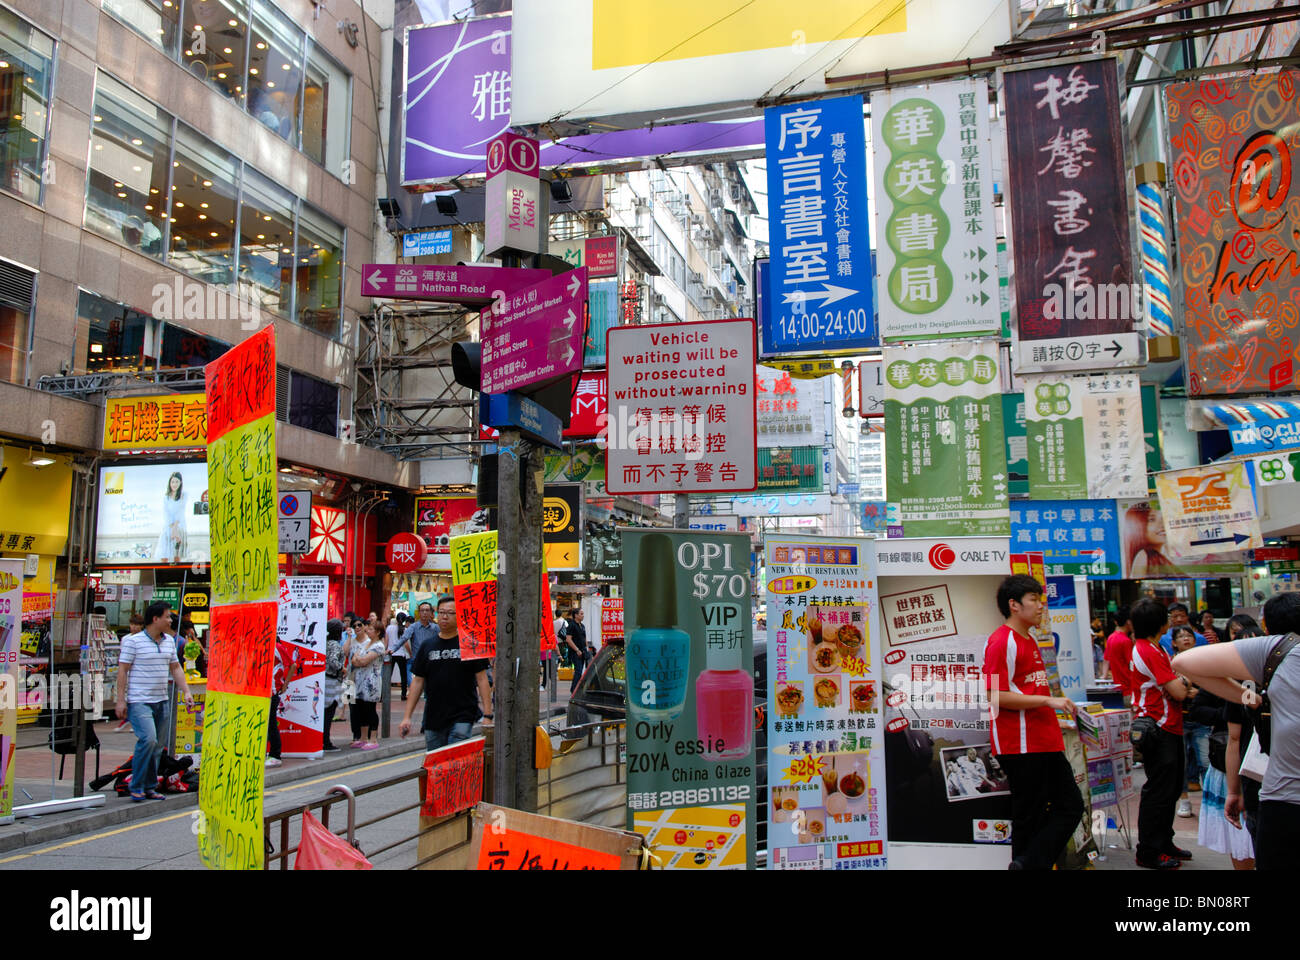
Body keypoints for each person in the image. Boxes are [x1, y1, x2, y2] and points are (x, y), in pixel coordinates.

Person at [1173, 592, 1300, 871]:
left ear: (1267, 629)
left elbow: (1184, 663)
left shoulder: (1274, 650)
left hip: (1283, 802)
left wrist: (1249, 698)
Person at [981, 575, 1084, 871]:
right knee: (1041, 813)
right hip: (1021, 744)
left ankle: (1027, 863)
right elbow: (995, 695)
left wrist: (1052, 716)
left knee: (1057, 809)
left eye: (1041, 599)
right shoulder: (1002, 641)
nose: (1041, 606)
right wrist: (1047, 703)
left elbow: (1026, 690)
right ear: (1014, 605)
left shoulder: (1029, 638)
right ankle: (1028, 863)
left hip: (1041, 739)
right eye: (1034, 600)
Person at [1129, 597, 1192, 869]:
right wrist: (1186, 684)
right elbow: (1178, 690)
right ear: (1160, 623)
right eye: (1167, 616)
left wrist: (1181, 685)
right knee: (1158, 791)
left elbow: (1176, 687)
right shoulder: (1149, 651)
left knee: (1171, 789)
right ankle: (1148, 852)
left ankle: (1164, 842)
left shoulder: (1154, 647)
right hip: (1159, 726)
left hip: (1168, 725)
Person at [114, 602, 193, 802]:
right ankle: (136, 785)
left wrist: (186, 691)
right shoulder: (133, 642)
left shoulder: (169, 642)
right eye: (167, 616)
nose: (170, 620)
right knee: (147, 739)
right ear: (155, 619)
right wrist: (120, 700)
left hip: (162, 700)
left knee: (157, 746)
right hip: (139, 701)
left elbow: (175, 668)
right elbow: (123, 670)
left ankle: (150, 786)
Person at [400, 595, 492, 749]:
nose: (444, 616)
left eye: (450, 613)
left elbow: (482, 679)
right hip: (433, 717)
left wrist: (488, 714)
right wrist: (407, 717)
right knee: (436, 766)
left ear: (459, 616)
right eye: (441, 612)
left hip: (463, 715)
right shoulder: (427, 646)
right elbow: (417, 681)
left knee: (456, 763)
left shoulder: (469, 644)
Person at [1170, 626, 1209, 813]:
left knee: (1206, 762)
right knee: (1182, 763)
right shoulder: (1171, 663)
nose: (1185, 639)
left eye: (1188, 635)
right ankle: (1184, 800)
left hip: (1201, 718)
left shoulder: (1204, 661)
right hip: (1180, 718)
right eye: (1180, 636)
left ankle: (1210, 800)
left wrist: (1199, 693)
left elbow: (1214, 687)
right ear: (1173, 643)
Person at [347, 622, 385, 749]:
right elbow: (353, 659)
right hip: (359, 681)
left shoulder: (379, 646)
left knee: (370, 710)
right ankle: (363, 738)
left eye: (371, 629)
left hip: (371, 682)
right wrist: (358, 659)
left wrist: (359, 659)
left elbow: (363, 660)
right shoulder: (367, 644)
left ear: (378, 632)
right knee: (360, 709)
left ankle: (373, 739)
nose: (368, 631)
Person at [153, 472, 188, 563]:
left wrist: (175, 529)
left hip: (179, 526)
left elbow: (180, 511)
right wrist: (172, 528)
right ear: (169, 483)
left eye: (177, 482)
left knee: (177, 554)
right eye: (172, 482)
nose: (174, 484)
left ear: (180, 483)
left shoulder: (184, 495)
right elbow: (166, 513)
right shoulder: (166, 497)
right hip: (168, 527)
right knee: (164, 554)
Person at [1103, 605, 1134, 704]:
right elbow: (1132, 666)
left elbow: (1106, 660)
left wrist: (1104, 676)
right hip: (1128, 689)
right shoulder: (1126, 641)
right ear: (1128, 622)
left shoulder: (1111, 637)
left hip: (1117, 689)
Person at [321, 618, 345, 750]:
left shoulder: (324, 642)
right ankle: (326, 741)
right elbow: (333, 660)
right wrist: (342, 668)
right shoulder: (335, 645)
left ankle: (323, 739)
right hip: (331, 680)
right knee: (329, 712)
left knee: (324, 712)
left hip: (324, 679)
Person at [384, 612, 410, 701]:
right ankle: (403, 694)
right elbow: (405, 644)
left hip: (391, 653)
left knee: (387, 675)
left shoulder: (389, 628)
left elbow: (386, 642)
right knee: (403, 675)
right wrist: (410, 653)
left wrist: (385, 650)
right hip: (401, 654)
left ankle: (382, 694)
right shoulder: (405, 630)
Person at [566, 607, 588, 694]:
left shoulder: (582, 626)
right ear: (576, 615)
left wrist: (586, 648)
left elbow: (584, 638)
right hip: (575, 652)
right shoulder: (572, 625)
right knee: (578, 671)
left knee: (581, 671)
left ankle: (575, 689)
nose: (583, 616)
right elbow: (568, 639)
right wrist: (577, 650)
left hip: (583, 651)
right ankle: (574, 690)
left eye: (583, 614)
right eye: (581, 614)